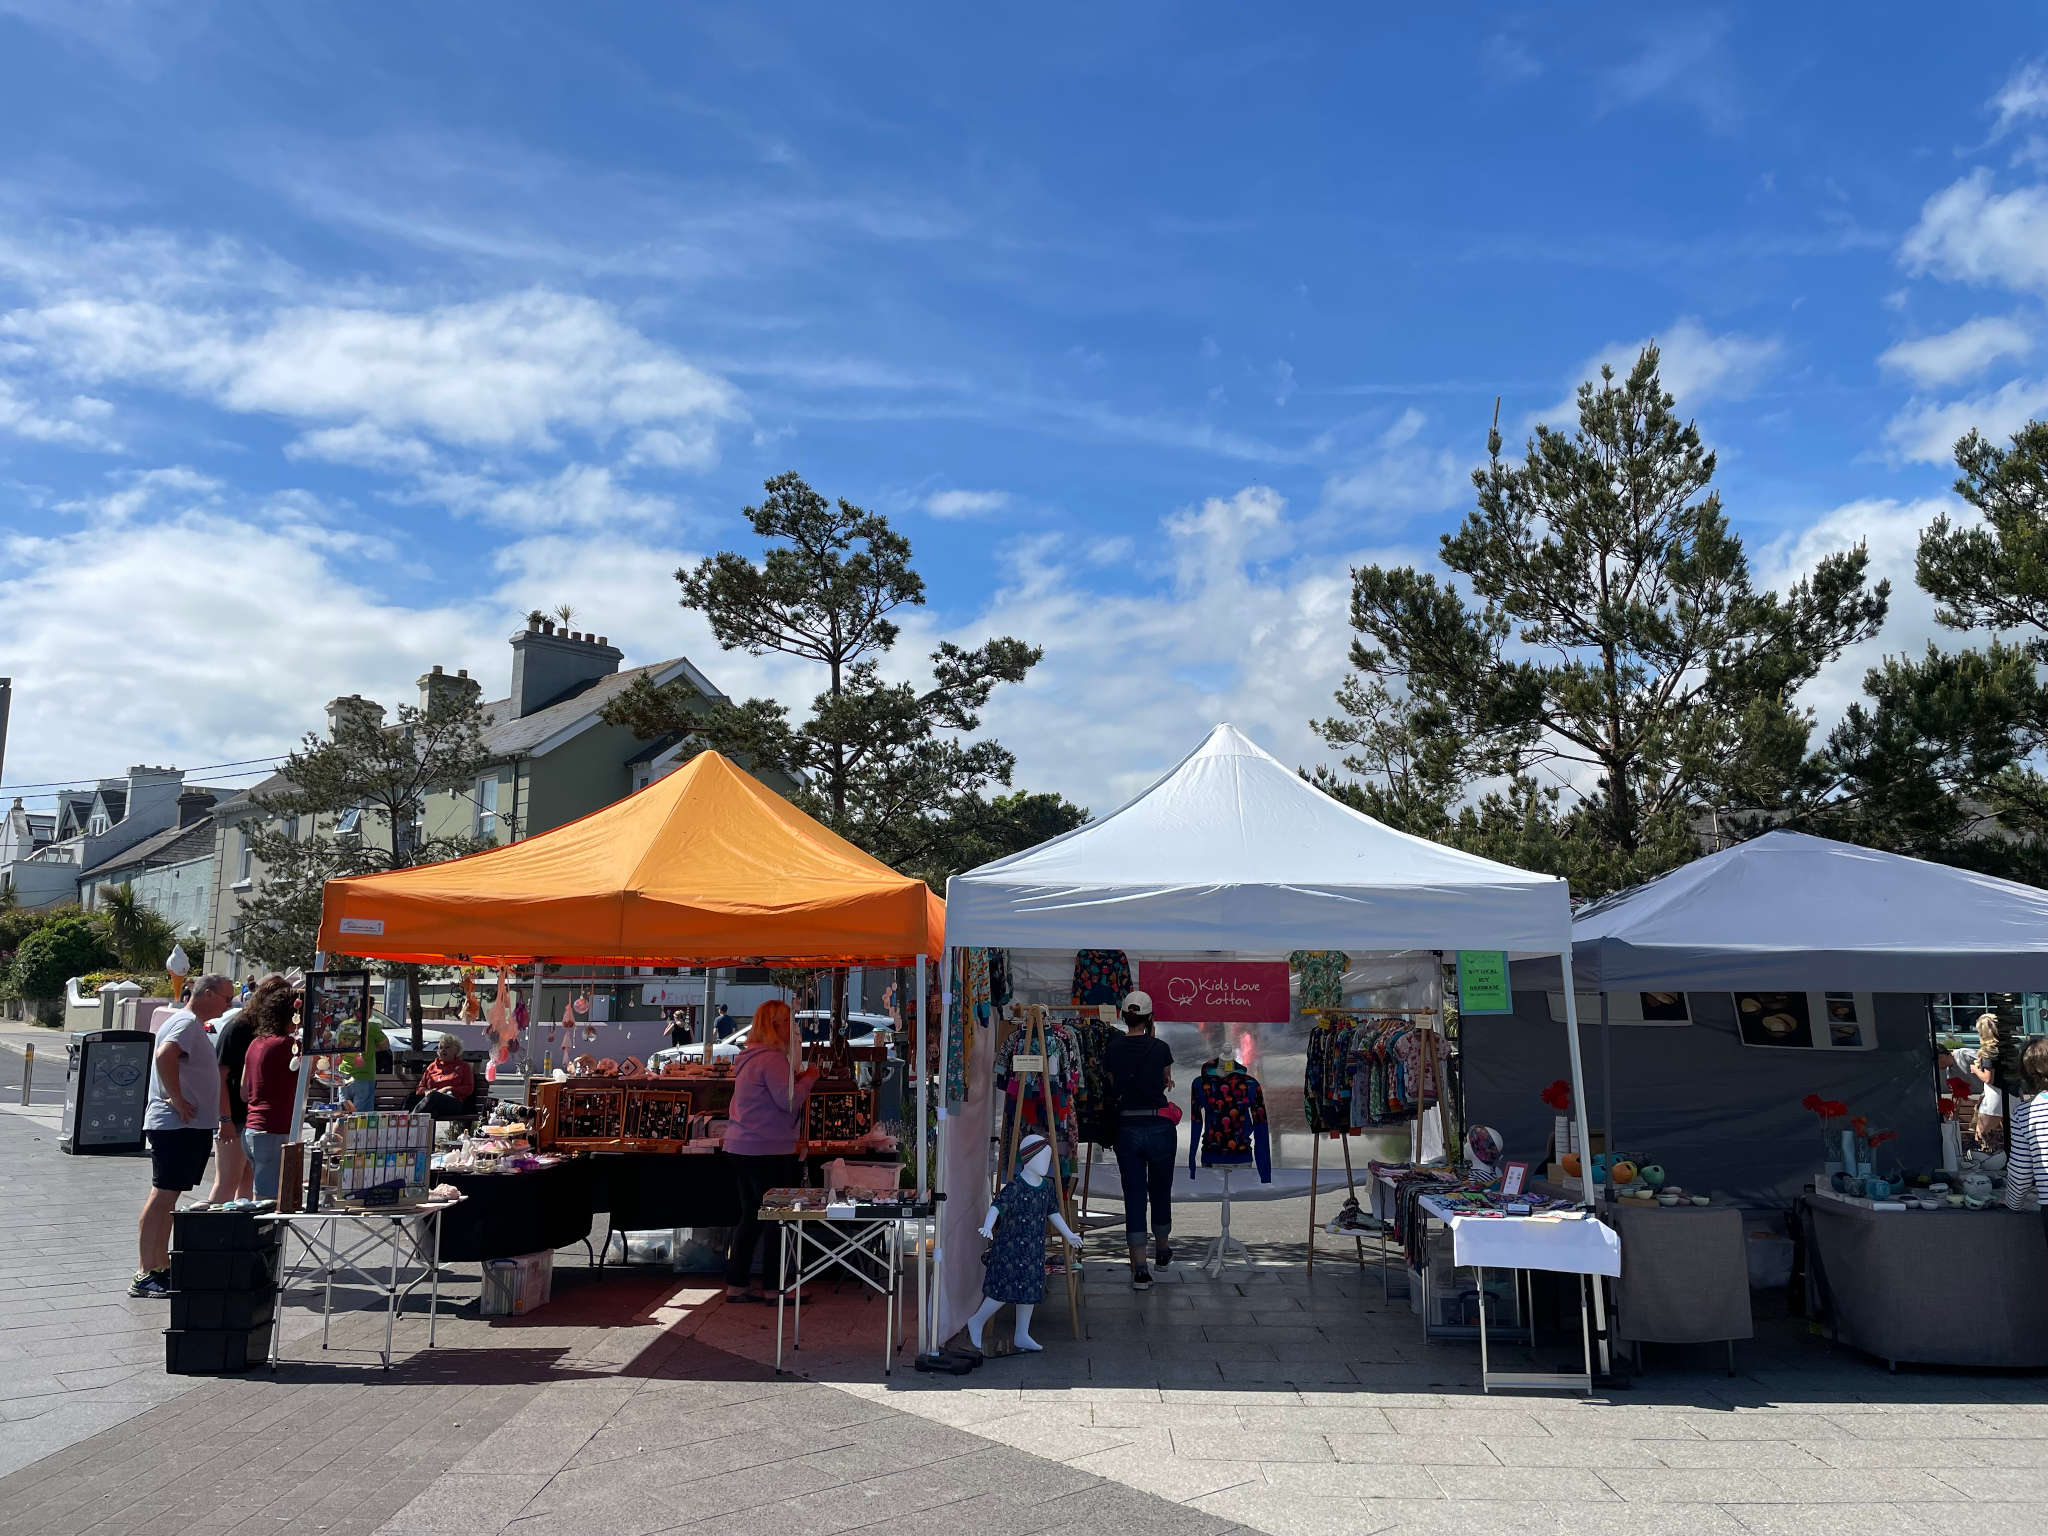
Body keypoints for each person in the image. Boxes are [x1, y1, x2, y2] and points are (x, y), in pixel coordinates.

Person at [132, 973, 234, 1298]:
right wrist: (176, 1098)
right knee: (162, 1196)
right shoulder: (186, 1023)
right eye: (226, 997)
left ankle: (159, 1267)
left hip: (185, 1127)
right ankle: (146, 1271)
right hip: (175, 1126)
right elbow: (164, 1054)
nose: (229, 1003)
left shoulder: (190, 1023)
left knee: (169, 1198)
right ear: (206, 993)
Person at [722, 1000, 818, 1303]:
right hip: (768, 1148)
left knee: (751, 1216)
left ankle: (737, 1284)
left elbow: (774, 1094)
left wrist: (797, 1080)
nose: (793, 1027)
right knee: (778, 1217)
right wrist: (810, 1079)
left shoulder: (750, 1057)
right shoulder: (774, 1060)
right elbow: (788, 1101)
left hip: (741, 1146)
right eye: (788, 1021)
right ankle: (775, 1288)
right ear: (775, 1025)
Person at [1103, 989, 1176, 1290]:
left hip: (1127, 1126)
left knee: (1133, 1195)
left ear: (1123, 1016)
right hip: (1159, 1124)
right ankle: (1162, 1249)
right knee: (1160, 1189)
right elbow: (1165, 1080)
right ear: (1149, 1018)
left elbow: (1110, 1083)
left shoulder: (1113, 1047)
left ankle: (1140, 1268)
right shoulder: (1160, 1047)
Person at [205, 981, 275, 1202]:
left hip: (250, 1115)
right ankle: (213, 1232)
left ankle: (238, 1230)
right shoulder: (239, 1026)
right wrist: (224, 1119)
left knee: (247, 1177)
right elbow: (220, 1075)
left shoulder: (262, 1028)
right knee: (227, 1180)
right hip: (234, 1115)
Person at [240, 983, 300, 1201]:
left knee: (265, 1195)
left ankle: (262, 1235)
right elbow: (309, 1073)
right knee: (267, 1201)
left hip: (253, 1128)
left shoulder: (256, 1043)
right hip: (273, 1128)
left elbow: (244, 1091)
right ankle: (259, 1236)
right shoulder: (287, 1045)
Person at [406, 1035, 476, 1119]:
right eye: (440, 1048)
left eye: (447, 1047)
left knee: (434, 1096)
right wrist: (426, 1091)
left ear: (456, 1050)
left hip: (453, 1103)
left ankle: (410, 1121)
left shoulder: (463, 1066)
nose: (443, 1050)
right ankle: (402, 1123)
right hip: (430, 1101)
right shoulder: (432, 1066)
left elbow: (469, 1089)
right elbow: (420, 1088)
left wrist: (448, 1089)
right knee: (412, 1098)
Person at [337, 1011, 387, 1113]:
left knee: (343, 1115)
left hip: (343, 1075)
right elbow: (385, 1045)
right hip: (364, 1076)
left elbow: (338, 1045)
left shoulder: (343, 1025)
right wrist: (372, 1048)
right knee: (360, 1119)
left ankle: (338, 1129)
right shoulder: (371, 1027)